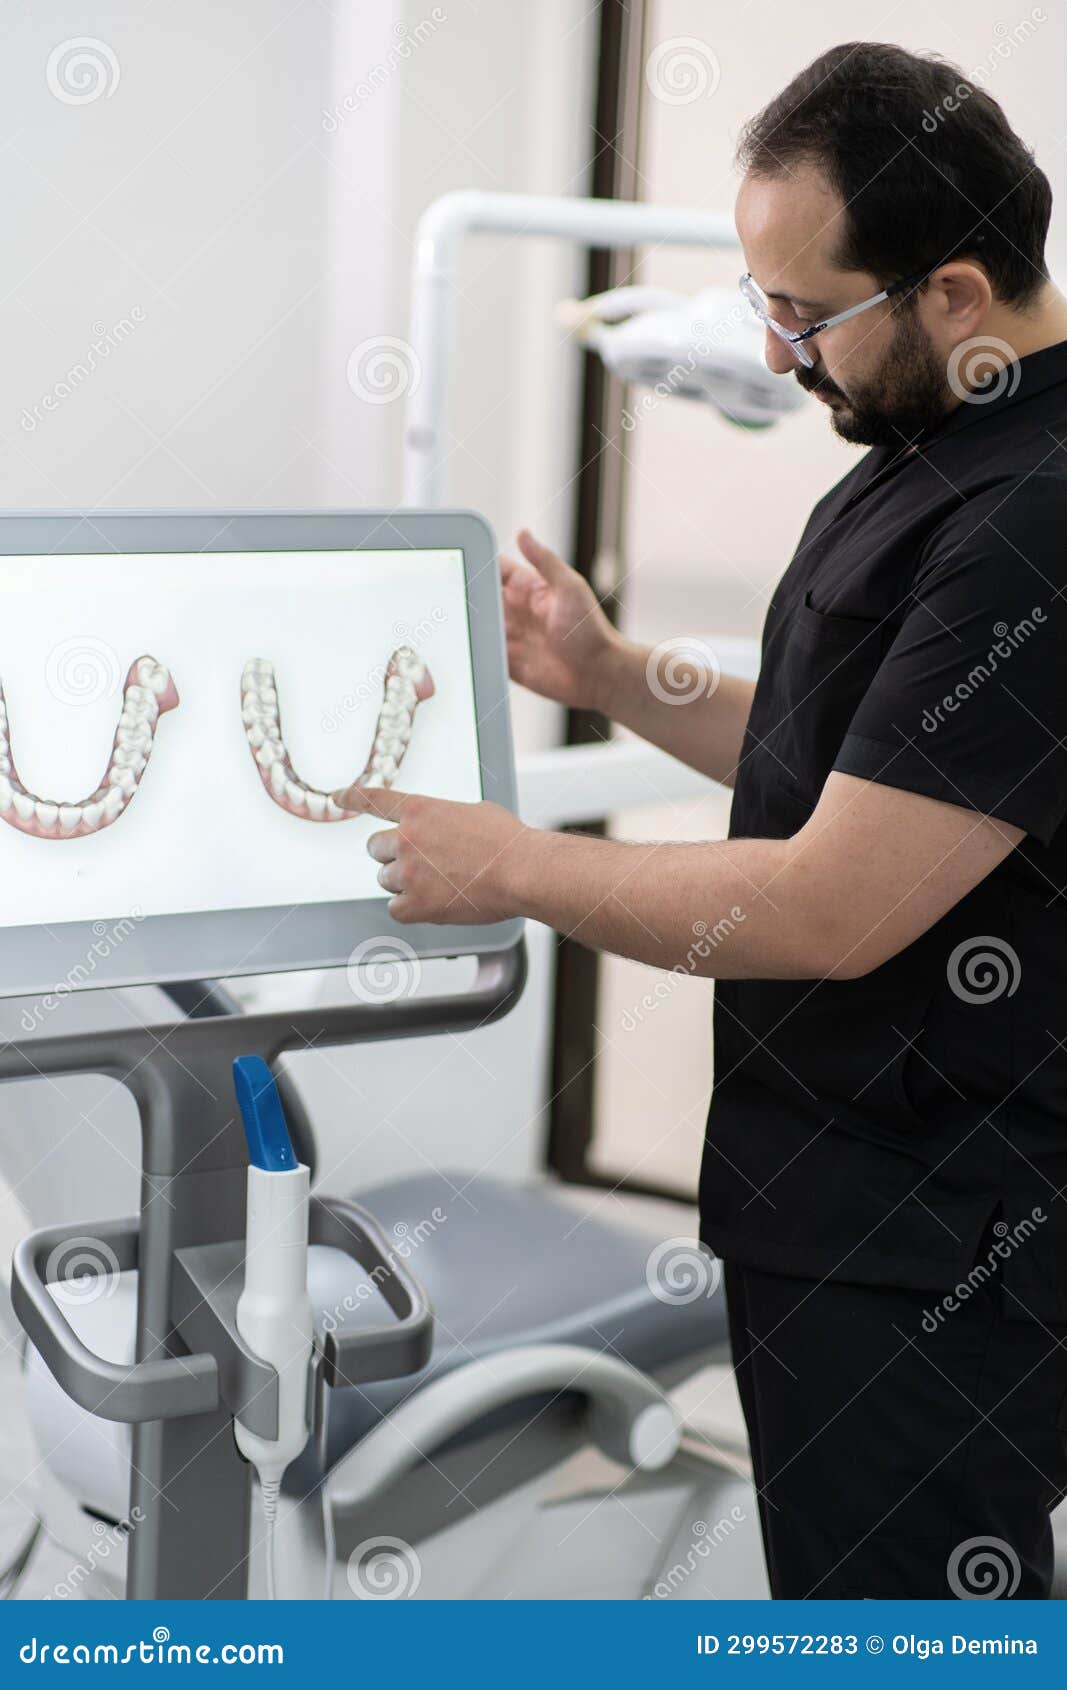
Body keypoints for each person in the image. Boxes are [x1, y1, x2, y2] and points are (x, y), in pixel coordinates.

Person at [339, 42, 1067, 1598]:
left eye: (807, 312)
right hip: (839, 1202)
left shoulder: (1038, 513)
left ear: (952, 294)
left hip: (933, 1247)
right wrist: (615, 672)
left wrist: (517, 866)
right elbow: (856, 761)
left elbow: (828, 900)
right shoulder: (929, 443)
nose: (779, 349)